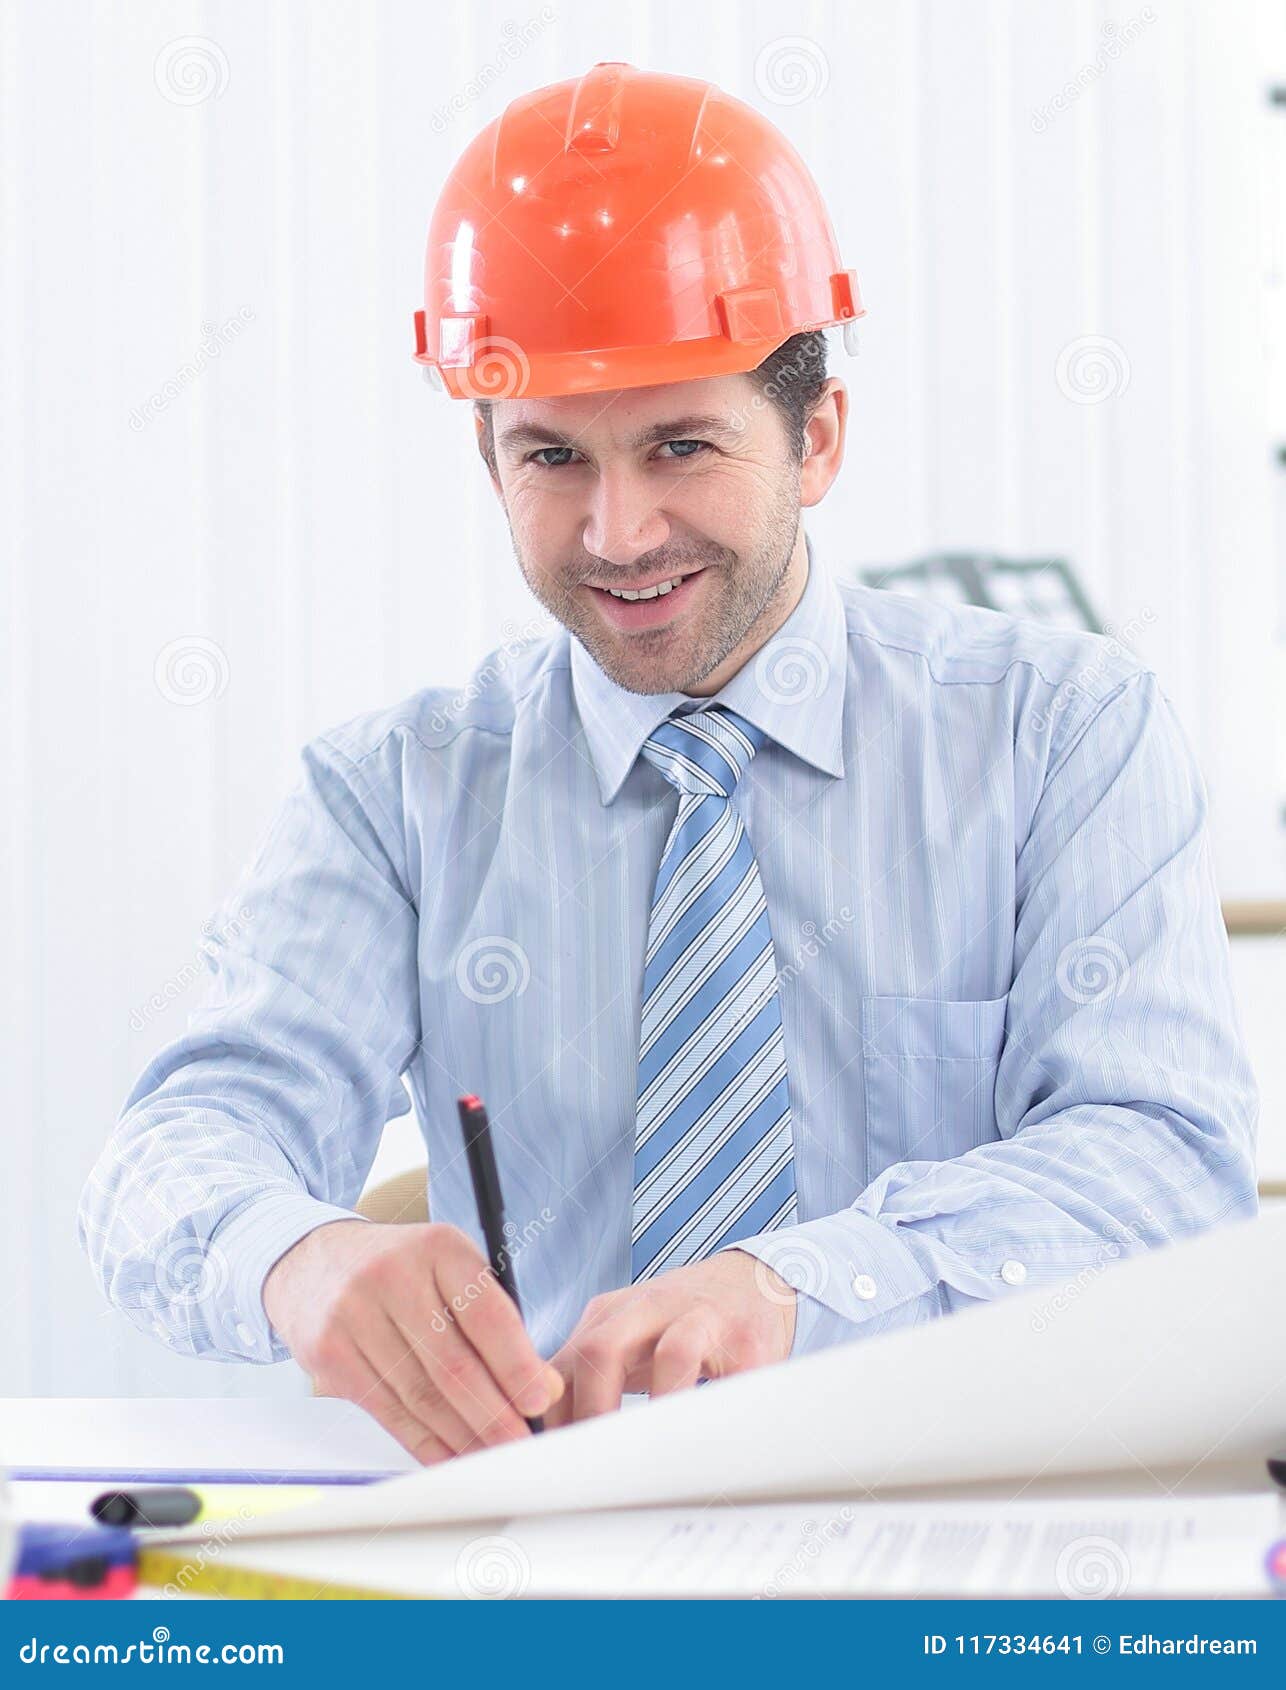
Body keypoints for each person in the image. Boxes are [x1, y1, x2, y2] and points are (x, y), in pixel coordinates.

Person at [79, 62, 1257, 1466]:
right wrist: (297, 1253)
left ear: (814, 437)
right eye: (553, 458)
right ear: (487, 455)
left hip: (969, 1499)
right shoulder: (392, 793)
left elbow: (1165, 1166)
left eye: (679, 444)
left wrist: (800, 1281)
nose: (617, 531)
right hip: (558, 1530)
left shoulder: (1060, 732)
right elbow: (175, 1149)